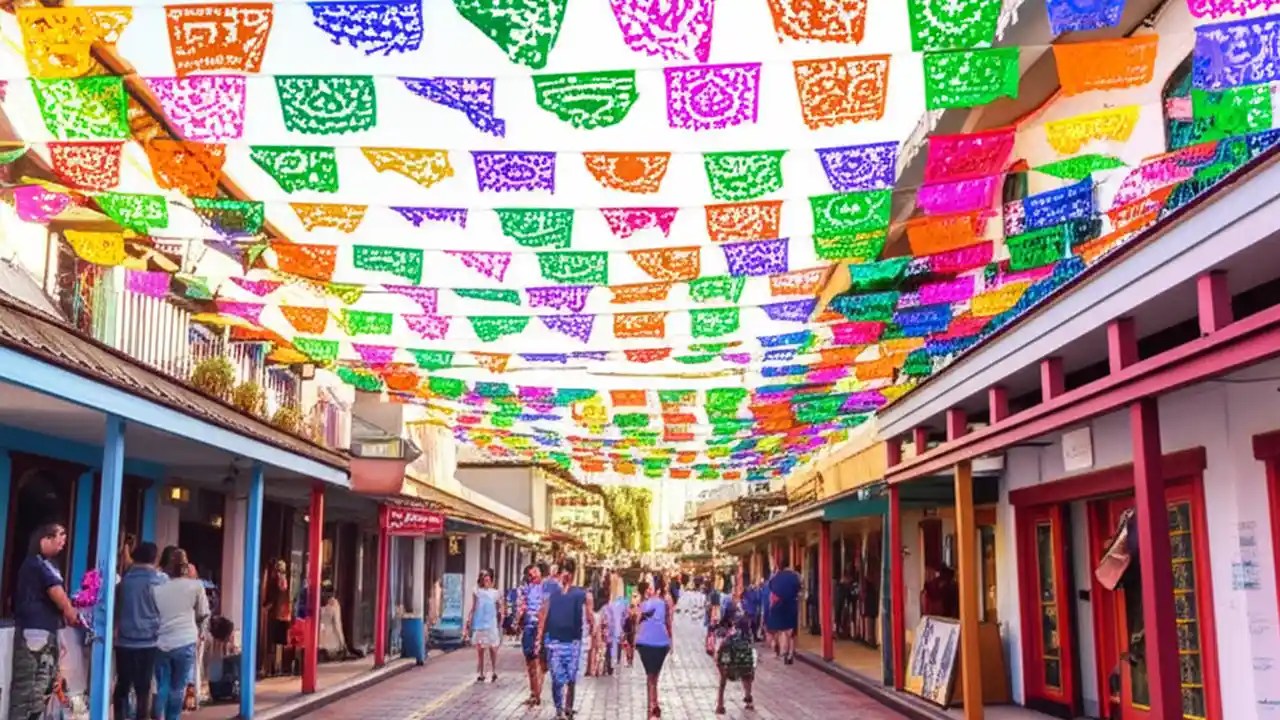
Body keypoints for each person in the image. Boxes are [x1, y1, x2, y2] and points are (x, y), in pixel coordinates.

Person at [10, 524, 79, 720]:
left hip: (44, 632)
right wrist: (70, 612)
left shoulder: (46, 564)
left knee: (40, 690)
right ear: (45, 539)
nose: (62, 545)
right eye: (59, 538)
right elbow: (56, 592)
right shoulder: (37, 564)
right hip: (35, 631)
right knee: (28, 689)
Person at [153, 547, 209, 720]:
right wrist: (200, 632)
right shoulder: (196, 586)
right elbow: (203, 614)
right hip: (185, 641)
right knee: (177, 687)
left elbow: (154, 615)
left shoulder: (157, 589)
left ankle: (157, 713)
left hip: (161, 642)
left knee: (163, 685)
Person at [537, 558, 593, 720]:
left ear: (573, 574)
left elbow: (590, 616)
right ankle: (559, 709)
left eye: (569, 571)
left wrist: (594, 634)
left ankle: (568, 708)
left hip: (573, 641)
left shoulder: (582, 594)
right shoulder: (552, 594)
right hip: (554, 641)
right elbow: (543, 615)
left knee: (571, 677)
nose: (566, 574)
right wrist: (539, 639)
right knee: (556, 677)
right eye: (564, 571)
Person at [115, 541, 165, 720]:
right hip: (149, 640)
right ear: (154, 558)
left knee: (123, 684)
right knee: (143, 688)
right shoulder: (160, 581)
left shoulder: (124, 581)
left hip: (124, 640)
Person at [635, 577, 673, 719]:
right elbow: (669, 624)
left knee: (650, 676)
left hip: (645, 642)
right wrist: (671, 643)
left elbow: (637, 621)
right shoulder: (665, 604)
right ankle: (654, 703)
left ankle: (651, 705)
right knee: (654, 675)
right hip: (661, 642)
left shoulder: (643, 604)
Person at [713, 603, 756, 715]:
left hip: (727, 656)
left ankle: (720, 704)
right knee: (747, 674)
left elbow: (719, 647)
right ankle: (748, 698)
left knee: (723, 679)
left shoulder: (722, 629)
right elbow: (750, 641)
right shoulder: (743, 622)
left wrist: (719, 660)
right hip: (742, 657)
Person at [464, 569, 503, 683]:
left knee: (493, 649)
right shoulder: (477, 592)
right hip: (480, 623)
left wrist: (501, 618)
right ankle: (481, 673)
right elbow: (474, 606)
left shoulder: (495, 593)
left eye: (488, 579)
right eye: (484, 579)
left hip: (491, 623)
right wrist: (469, 620)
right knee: (480, 650)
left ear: (491, 580)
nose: (486, 581)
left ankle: (493, 671)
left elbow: (500, 607)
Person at [516, 564, 547, 706]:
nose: (533, 575)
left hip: (541, 627)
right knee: (530, 662)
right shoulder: (526, 589)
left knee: (539, 662)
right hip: (529, 627)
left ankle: (537, 693)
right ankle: (534, 692)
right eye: (530, 573)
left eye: (535, 571)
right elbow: (521, 608)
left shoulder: (546, 588)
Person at [767, 557, 802, 664]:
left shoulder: (775, 577)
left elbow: (771, 587)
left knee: (781, 630)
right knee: (791, 631)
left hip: (779, 605)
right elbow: (799, 588)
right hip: (791, 604)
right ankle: (790, 654)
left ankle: (783, 650)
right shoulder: (794, 576)